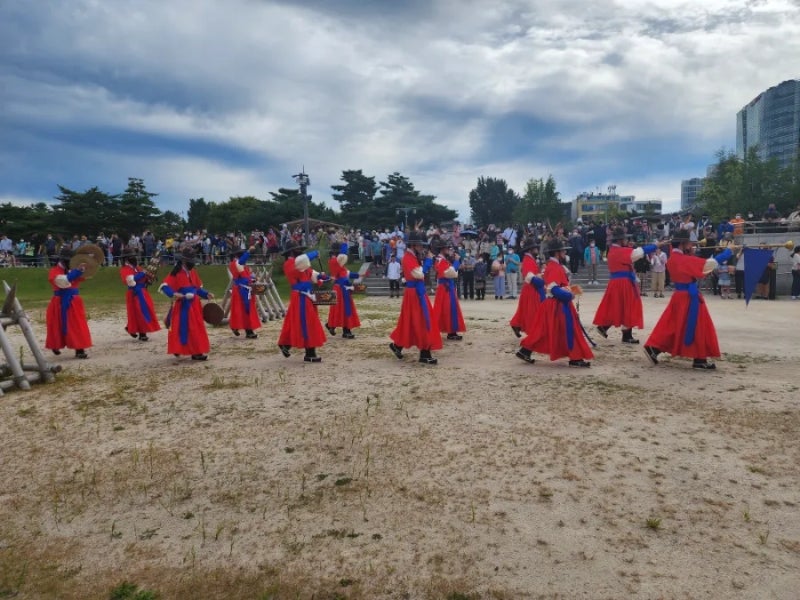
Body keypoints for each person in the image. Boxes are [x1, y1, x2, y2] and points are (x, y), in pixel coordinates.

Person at [643, 230, 731, 370]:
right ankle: (699, 359)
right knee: (698, 325)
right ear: (683, 244)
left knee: (674, 325)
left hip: (679, 295)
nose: (691, 244)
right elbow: (707, 265)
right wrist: (726, 254)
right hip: (689, 297)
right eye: (689, 242)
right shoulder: (683, 259)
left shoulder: (674, 259)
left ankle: (654, 348)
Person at [516, 238, 593, 367]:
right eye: (563, 251)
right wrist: (569, 294)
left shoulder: (554, 266)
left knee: (543, 331)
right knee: (569, 330)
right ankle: (575, 358)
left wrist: (570, 290)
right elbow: (554, 289)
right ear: (557, 253)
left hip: (555, 305)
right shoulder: (554, 267)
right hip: (557, 305)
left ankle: (525, 351)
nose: (564, 253)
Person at [593, 228, 658, 345]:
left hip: (616, 282)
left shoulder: (613, 250)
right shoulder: (619, 251)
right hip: (624, 282)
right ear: (620, 240)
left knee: (617, 306)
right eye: (625, 239)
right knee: (629, 306)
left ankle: (605, 327)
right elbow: (638, 253)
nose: (627, 240)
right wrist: (654, 246)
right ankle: (626, 335)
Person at [389, 230, 442, 365]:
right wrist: (429, 262)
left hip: (415, 293)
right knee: (422, 321)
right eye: (419, 245)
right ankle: (424, 354)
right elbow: (419, 274)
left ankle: (398, 346)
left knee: (413, 322)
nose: (422, 247)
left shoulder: (411, 257)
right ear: (413, 245)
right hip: (414, 294)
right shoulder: (408, 257)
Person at [159, 246, 214, 361]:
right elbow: (165, 287)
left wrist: (206, 293)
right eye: (190, 262)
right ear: (184, 261)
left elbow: (197, 289)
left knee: (196, 329)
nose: (192, 264)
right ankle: (185, 350)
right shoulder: (176, 273)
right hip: (183, 306)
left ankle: (195, 351)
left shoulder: (193, 272)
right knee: (182, 329)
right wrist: (174, 294)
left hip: (195, 306)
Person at [277, 241, 329, 362]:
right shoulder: (289, 263)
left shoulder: (301, 263)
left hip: (307, 296)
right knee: (308, 323)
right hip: (300, 296)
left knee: (297, 322)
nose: (300, 251)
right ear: (291, 252)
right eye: (297, 250)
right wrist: (313, 254)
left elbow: (310, 273)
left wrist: (321, 277)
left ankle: (286, 344)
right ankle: (310, 353)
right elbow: (301, 265)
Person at [45, 246, 92, 358]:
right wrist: (77, 271)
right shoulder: (54, 271)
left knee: (77, 324)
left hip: (74, 300)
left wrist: (88, 263)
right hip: (59, 301)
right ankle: (55, 344)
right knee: (57, 325)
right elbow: (63, 281)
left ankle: (79, 349)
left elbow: (86, 275)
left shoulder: (73, 269)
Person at [120, 246, 161, 342]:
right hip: (134, 293)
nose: (134, 258)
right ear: (126, 259)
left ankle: (131, 327)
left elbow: (143, 277)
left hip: (143, 291)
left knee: (144, 311)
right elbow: (130, 280)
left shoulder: (137, 268)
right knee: (137, 313)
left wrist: (150, 278)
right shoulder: (124, 269)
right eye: (131, 257)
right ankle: (142, 333)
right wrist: (144, 273)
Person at [326, 242, 362, 339]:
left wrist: (358, 275)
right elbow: (343, 272)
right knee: (340, 309)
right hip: (339, 288)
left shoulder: (337, 261)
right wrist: (344, 247)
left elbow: (346, 272)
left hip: (343, 287)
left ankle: (341, 328)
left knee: (342, 309)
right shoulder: (334, 261)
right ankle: (335, 326)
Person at [509, 238, 544, 338]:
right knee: (532, 311)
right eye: (535, 248)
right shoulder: (528, 260)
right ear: (530, 250)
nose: (536, 249)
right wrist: (541, 279)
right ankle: (533, 331)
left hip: (529, 288)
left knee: (524, 311)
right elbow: (529, 276)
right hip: (531, 288)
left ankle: (516, 325)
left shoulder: (529, 259)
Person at [431, 241, 466, 341]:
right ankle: (448, 332)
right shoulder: (441, 260)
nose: (449, 250)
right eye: (447, 248)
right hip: (445, 288)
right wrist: (456, 261)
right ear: (442, 249)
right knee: (447, 310)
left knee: (448, 310)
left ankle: (451, 332)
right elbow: (450, 273)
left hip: (446, 287)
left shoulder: (442, 260)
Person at [228, 246, 261, 339]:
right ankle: (237, 326)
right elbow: (241, 272)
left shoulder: (243, 265)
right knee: (240, 310)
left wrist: (253, 279)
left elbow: (247, 277)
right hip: (240, 290)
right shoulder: (234, 263)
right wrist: (249, 251)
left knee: (247, 311)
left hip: (246, 289)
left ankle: (248, 330)